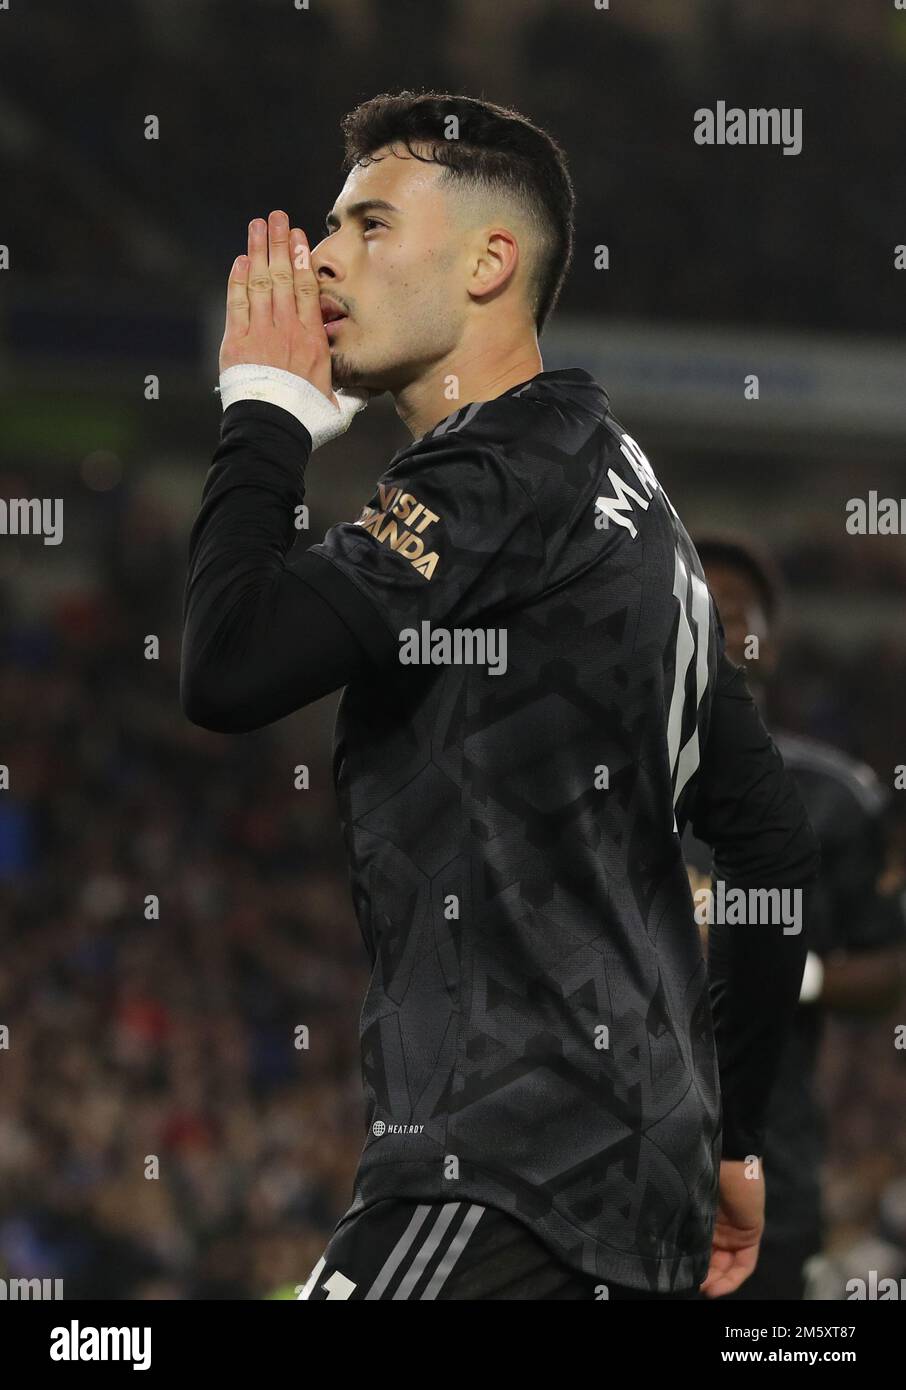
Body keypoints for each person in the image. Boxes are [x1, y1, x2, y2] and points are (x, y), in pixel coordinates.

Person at [180, 91, 819, 1300]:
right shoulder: (632, 492)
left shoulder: (501, 466)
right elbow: (772, 842)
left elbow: (231, 665)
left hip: (506, 1168)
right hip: (635, 1194)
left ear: (489, 262)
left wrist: (265, 410)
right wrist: (732, 1134)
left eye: (370, 224)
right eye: (330, 225)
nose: (321, 257)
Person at [683, 535, 906, 1301]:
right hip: (598, 1170)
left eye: (737, 612)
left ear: (770, 645)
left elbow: (887, 972)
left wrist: (790, 968)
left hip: (764, 1166)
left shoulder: (837, 796)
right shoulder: (591, 776)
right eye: (698, 601)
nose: (717, 621)